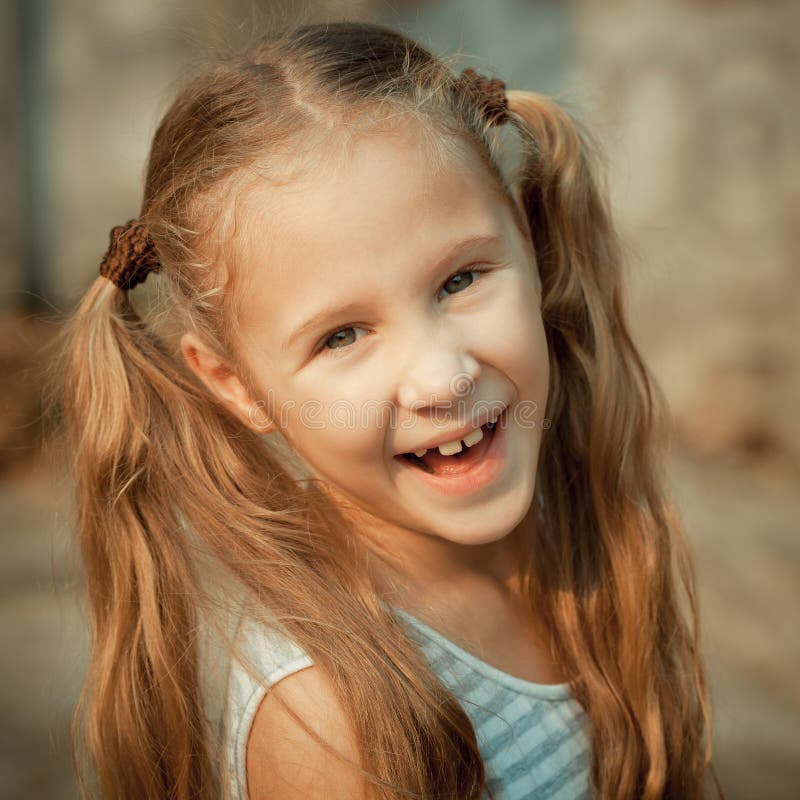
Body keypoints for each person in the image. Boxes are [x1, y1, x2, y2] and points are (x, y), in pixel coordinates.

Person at [51, 19, 725, 800]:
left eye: (461, 280)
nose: (442, 377)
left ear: (527, 240)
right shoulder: (334, 721)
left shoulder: (583, 517)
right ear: (235, 385)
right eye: (341, 336)